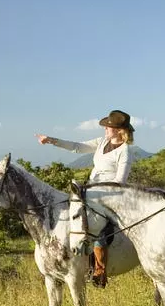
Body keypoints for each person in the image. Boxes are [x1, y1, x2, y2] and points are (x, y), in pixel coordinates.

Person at [35, 109, 135, 288]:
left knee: (99, 226)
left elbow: (121, 181)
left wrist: (99, 190)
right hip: (90, 190)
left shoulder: (125, 151)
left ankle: (99, 270)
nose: (105, 129)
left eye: (108, 126)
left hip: (110, 195)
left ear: (119, 130)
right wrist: (51, 140)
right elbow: (77, 146)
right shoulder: (102, 141)